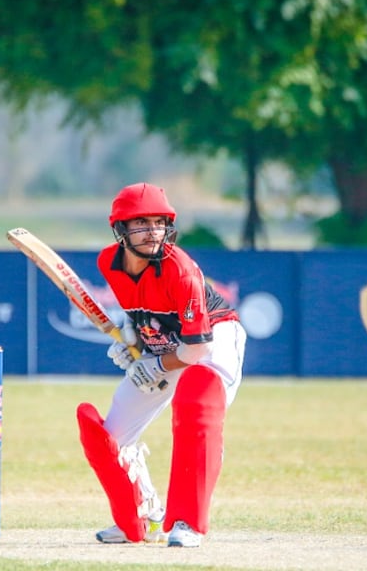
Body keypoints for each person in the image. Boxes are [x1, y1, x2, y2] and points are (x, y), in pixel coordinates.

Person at [77, 182, 246, 548]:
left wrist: (154, 365)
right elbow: (138, 308)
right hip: (168, 344)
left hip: (214, 341)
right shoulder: (108, 262)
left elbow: (197, 350)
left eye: (159, 221)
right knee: (113, 438)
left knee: (197, 403)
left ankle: (187, 522)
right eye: (141, 223)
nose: (153, 230)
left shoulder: (180, 270)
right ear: (120, 230)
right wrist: (133, 337)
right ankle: (144, 517)